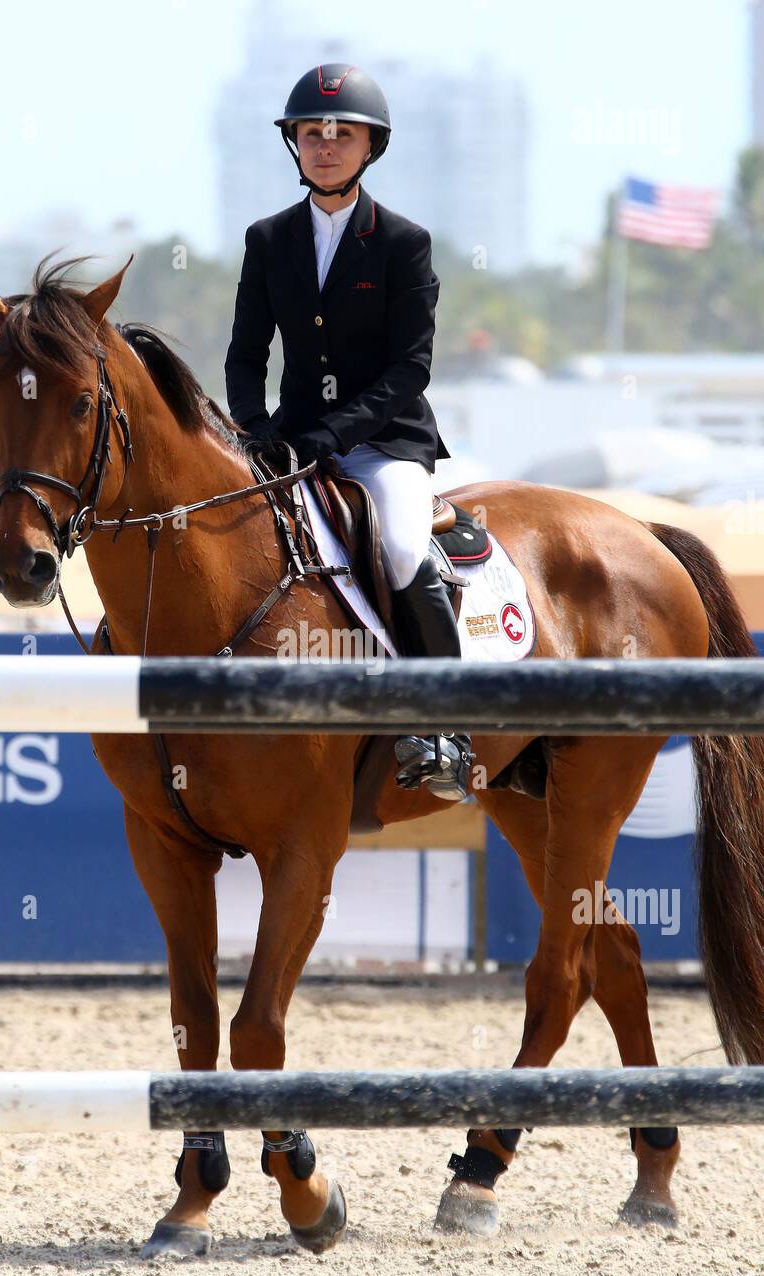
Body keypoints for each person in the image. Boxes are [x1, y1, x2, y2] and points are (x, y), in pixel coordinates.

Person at [224, 63, 472, 802]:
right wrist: (256, 431)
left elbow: (410, 369)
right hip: (290, 441)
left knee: (399, 544)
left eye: (341, 134)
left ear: (370, 147)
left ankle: (449, 728)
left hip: (386, 440)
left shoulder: (403, 242)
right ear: (294, 146)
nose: (325, 145)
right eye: (311, 134)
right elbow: (246, 352)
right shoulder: (268, 240)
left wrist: (327, 437)